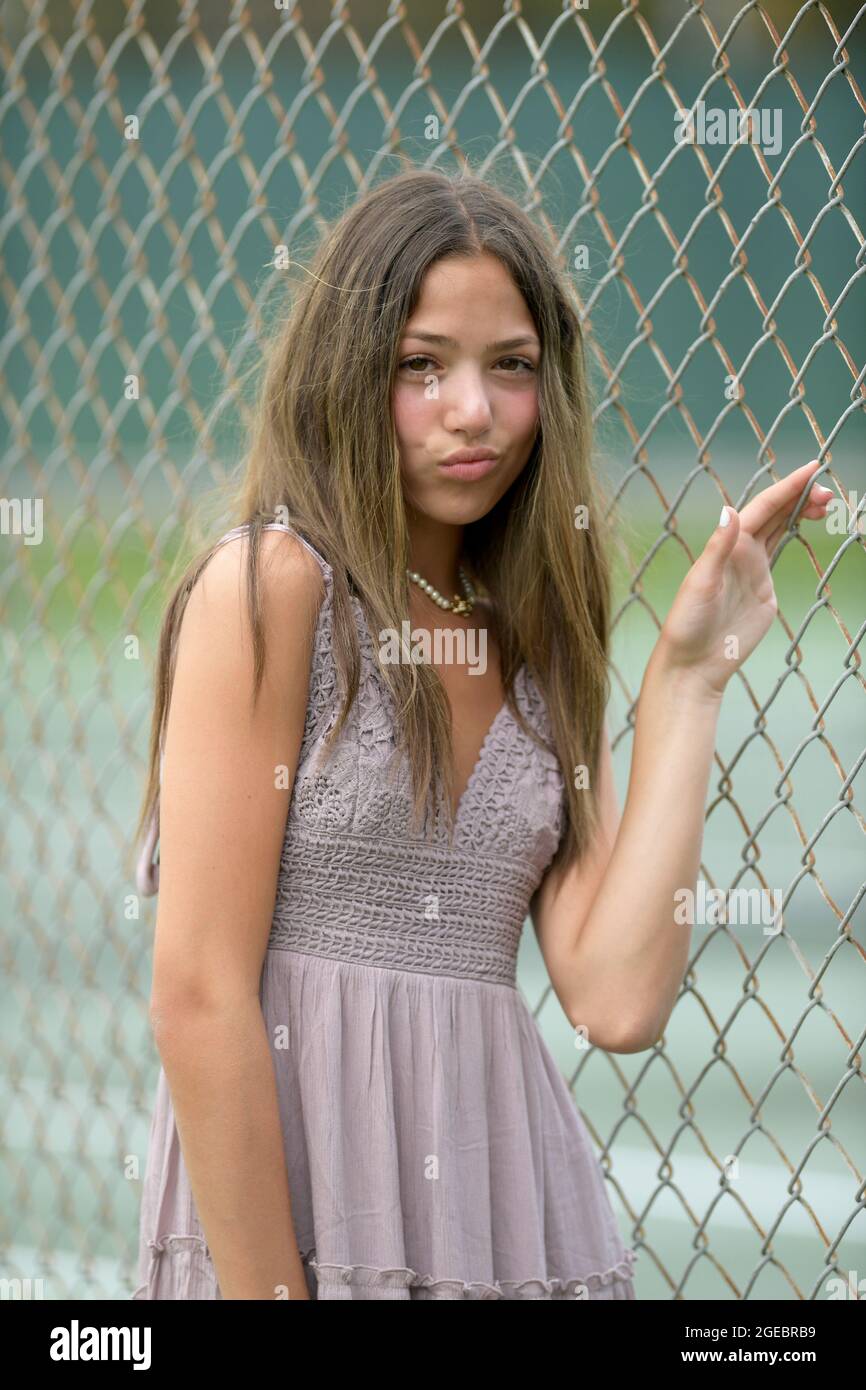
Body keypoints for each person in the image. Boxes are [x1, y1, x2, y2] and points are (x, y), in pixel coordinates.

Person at [130, 168, 834, 1301]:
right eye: (422, 366)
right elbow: (198, 991)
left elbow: (614, 996)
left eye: (511, 365)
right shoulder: (269, 588)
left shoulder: (538, 639)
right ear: (347, 372)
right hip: (289, 1238)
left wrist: (688, 676)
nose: (475, 410)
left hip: (497, 1226)